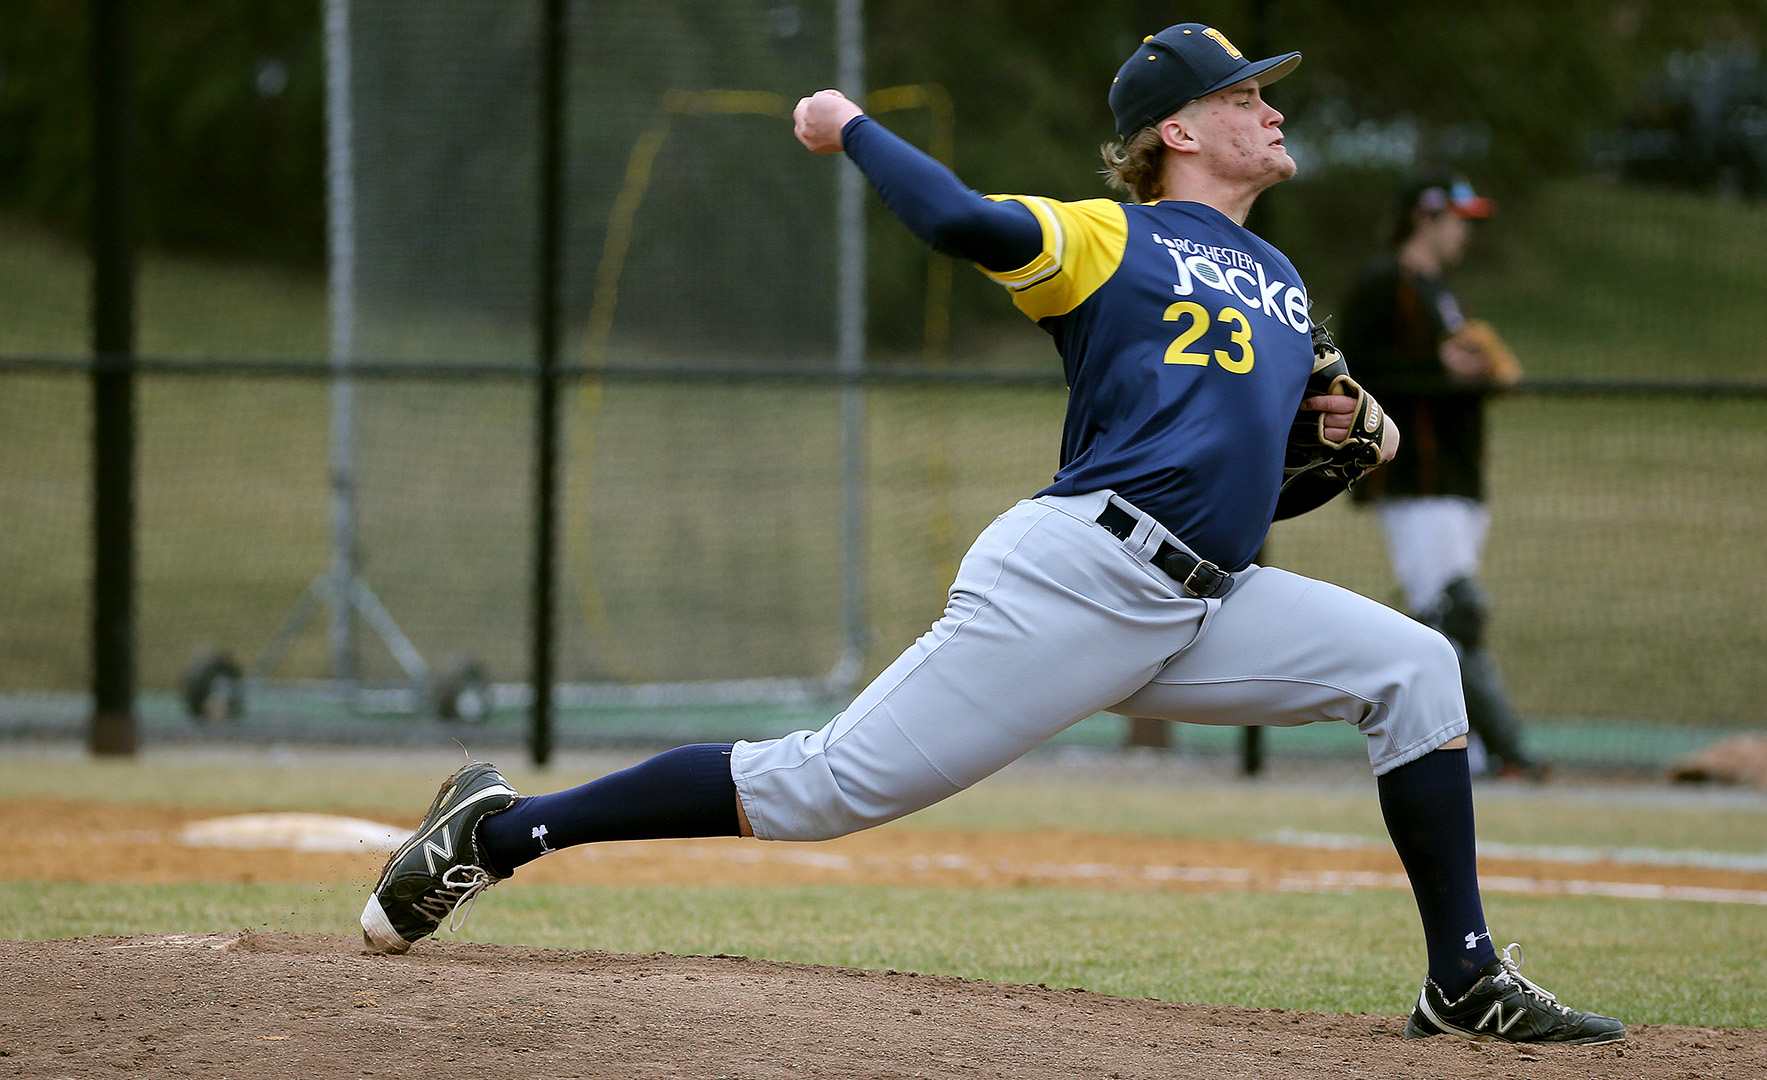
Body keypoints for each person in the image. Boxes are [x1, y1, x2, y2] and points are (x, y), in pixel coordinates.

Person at [361, 24, 1621, 1045]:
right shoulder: (1110, 236)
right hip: (1078, 579)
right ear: (1180, 132)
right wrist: (850, 124)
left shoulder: (1285, 286)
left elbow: (1251, 494)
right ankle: (496, 832)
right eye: (1244, 95)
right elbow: (964, 221)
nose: (1272, 110)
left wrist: (1335, 454)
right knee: (816, 788)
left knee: (1414, 667)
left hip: (1200, 595)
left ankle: (1462, 978)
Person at [1343, 170, 1546, 780]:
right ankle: (1484, 748)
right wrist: (1436, 363)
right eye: (1458, 220)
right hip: (1416, 478)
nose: (1466, 233)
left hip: (1456, 477)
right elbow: (1349, 367)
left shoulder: (1441, 292)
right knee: (1449, 614)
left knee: (1446, 615)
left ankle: (1465, 745)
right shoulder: (1386, 282)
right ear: (1424, 217)